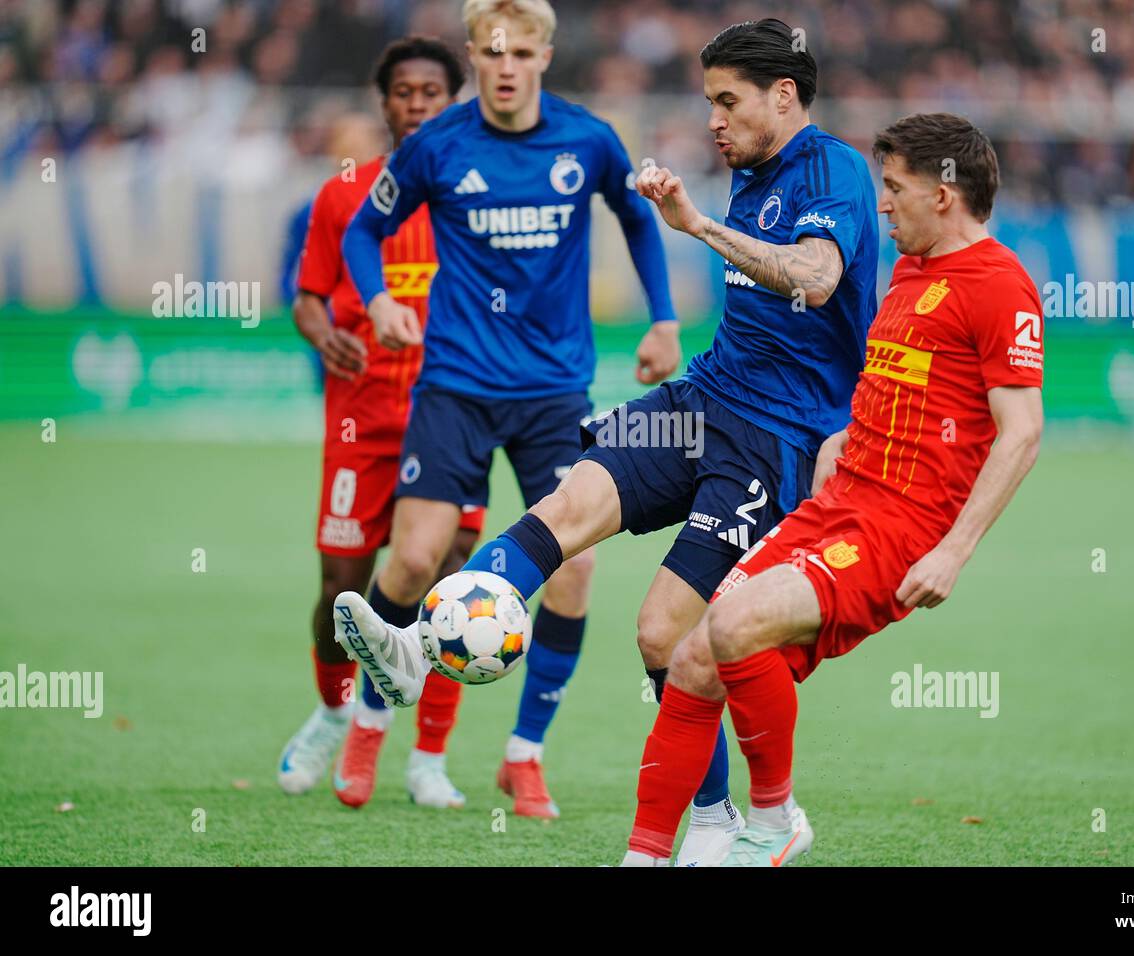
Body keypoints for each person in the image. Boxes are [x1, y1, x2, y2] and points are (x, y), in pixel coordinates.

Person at [333, 18, 879, 866]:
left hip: (777, 438)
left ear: (784, 95)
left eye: (727, 103)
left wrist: (693, 225)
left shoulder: (832, 168)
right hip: (702, 398)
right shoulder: (752, 168)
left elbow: (815, 277)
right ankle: (414, 650)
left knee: (664, 634)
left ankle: (726, 815)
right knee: (567, 503)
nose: (714, 121)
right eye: (709, 103)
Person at [622, 111, 1046, 866]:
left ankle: (776, 817)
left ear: (943, 195)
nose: (881, 204)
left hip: (900, 530)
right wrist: (846, 437)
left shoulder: (1001, 287)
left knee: (733, 626)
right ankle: (646, 856)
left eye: (894, 188)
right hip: (838, 502)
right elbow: (899, 378)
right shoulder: (911, 270)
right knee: (693, 659)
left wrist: (954, 552)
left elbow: (1021, 432)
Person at [337, 0, 681, 820]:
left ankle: (523, 755)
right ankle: (369, 722)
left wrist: (664, 317)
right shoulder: (436, 146)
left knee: (577, 565)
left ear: (545, 56)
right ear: (473, 54)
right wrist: (379, 299)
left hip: (554, 390)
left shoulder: (587, 139)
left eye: (521, 51)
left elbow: (637, 216)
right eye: (491, 51)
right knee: (417, 558)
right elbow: (362, 231)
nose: (505, 65)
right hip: (455, 382)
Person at [277, 37, 484, 810]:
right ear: (385, 101)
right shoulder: (343, 196)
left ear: (452, 100)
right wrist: (320, 330)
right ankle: (333, 714)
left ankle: (427, 756)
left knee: (454, 578)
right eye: (405, 91)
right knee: (341, 588)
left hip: (450, 416)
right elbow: (307, 295)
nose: (418, 103)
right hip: (360, 424)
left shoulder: (476, 195)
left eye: (433, 91)